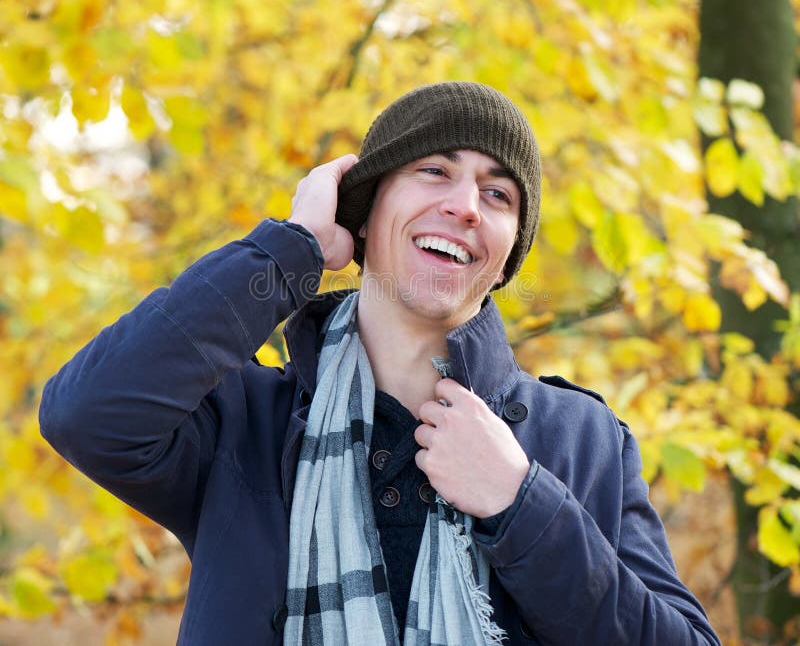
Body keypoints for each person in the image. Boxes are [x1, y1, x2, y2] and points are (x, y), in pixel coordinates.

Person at [40, 82, 720, 645]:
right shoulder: (241, 425)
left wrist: (521, 504)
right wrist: (291, 252)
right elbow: (87, 413)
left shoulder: (580, 440)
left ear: (507, 253)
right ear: (364, 213)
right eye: (433, 171)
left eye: (497, 194)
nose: (463, 206)